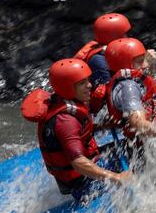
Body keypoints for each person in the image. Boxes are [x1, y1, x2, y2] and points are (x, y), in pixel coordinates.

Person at [21, 59, 131, 201]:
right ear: (67, 87)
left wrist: (102, 126)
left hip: (80, 173)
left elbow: (78, 133)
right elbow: (78, 163)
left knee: (129, 145)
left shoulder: (62, 101)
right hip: (83, 184)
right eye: (82, 83)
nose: (89, 85)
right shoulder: (66, 121)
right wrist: (116, 177)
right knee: (138, 153)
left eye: (87, 80)